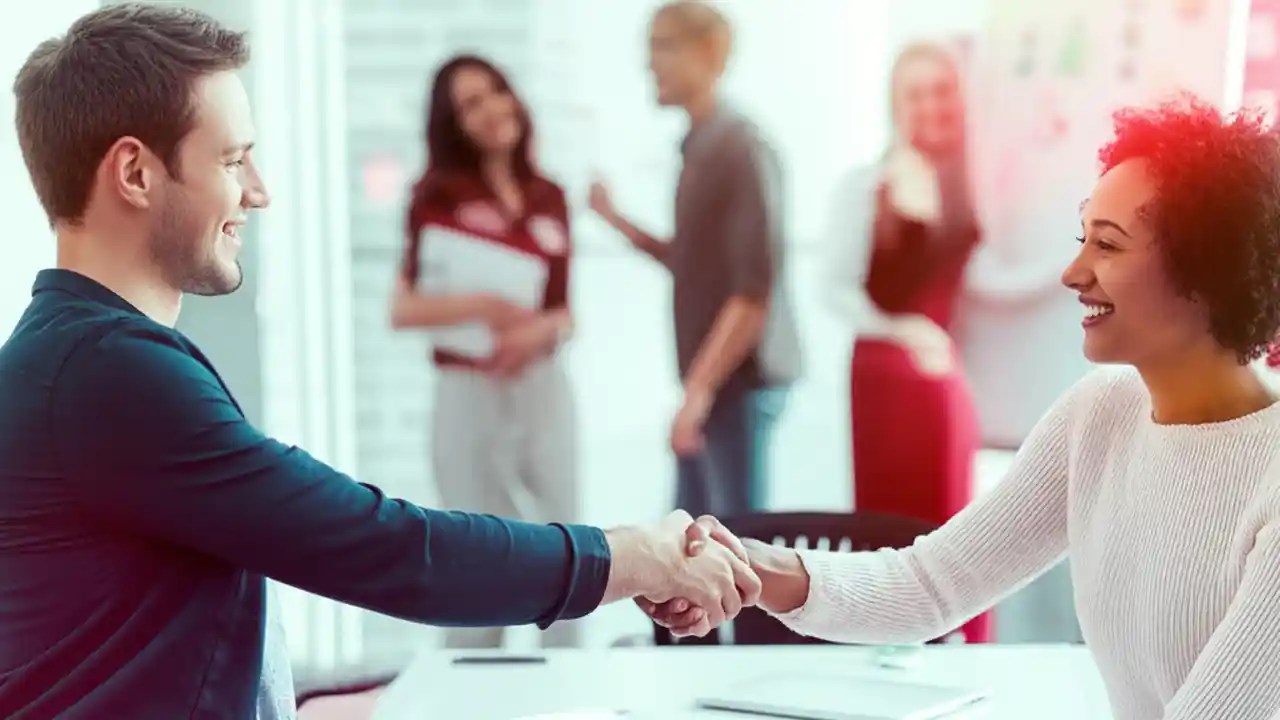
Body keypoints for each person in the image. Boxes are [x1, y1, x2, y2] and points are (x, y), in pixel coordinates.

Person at [0, 6, 759, 719]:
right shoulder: (110, 376)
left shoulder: (81, 357)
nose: (256, 193)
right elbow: (381, 548)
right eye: (233, 160)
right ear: (135, 174)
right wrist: (629, 557)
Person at [656, 98, 1280, 720]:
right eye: (1081, 238)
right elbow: (932, 584)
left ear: (1207, 269)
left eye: (1108, 247)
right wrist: (754, 566)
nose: (1073, 272)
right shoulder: (1099, 414)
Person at [391, 55, 580, 650]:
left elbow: (565, 311)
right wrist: (482, 306)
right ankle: (472, 684)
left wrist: (537, 333)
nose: (491, 108)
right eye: (470, 104)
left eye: (495, 91)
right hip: (468, 391)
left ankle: (570, 685)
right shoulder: (436, 197)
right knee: (475, 543)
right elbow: (405, 308)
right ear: (454, 125)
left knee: (568, 533)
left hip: (541, 386)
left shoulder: (548, 194)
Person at [589, 1, 802, 520]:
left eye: (663, 46)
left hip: (738, 383)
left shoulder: (740, 147)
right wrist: (616, 221)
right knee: (694, 546)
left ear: (709, 53)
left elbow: (752, 292)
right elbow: (694, 262)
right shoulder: (701, 145)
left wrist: (698, 394)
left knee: (735, 551)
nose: (649, 64)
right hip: (716, 385)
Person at [822, 41, 988, 643]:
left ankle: (961, 654)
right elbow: (835, 290)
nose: (931, 105)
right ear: (896, 104)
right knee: (891, 528)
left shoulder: (980, 184)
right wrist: (904, 329)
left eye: (941, 90)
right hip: (887, 373)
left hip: (946, 374)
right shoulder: (869, 186)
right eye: (915, 93)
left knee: (956, 524)